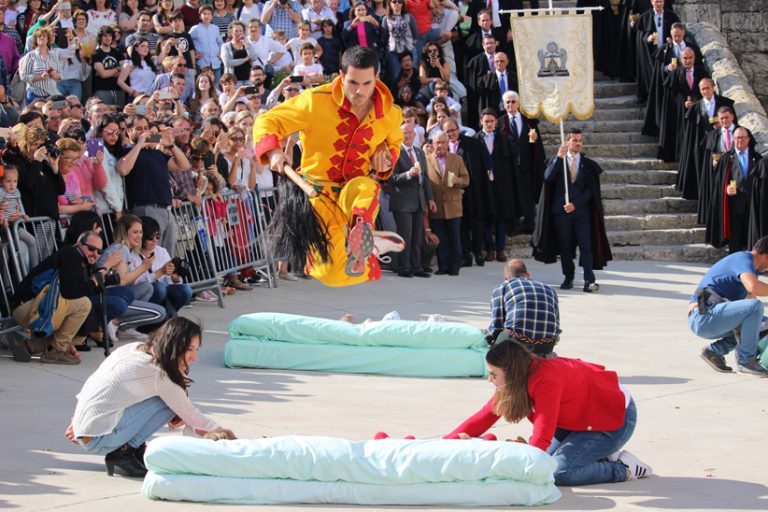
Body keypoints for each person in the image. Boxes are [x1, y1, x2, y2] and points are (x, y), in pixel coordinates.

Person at [253, 45, 405, 287]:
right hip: (319, 196)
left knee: (363, 189)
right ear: (341, 76)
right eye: (353, 82)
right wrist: (272, 151)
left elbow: (395, 142)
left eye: (367, 83)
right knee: (330, 275)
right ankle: (368, 253)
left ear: (377, 77)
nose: (359, 91)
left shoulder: (392, 113)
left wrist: (385, 153)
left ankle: (363, 229)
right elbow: (267, 119)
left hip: (357, 191)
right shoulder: (314, 102)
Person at [444, 339, 652, 486]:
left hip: (612, 416)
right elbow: (484, 417)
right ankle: (602, 454)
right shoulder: (517, 379)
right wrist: (444, 443)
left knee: (559, 472)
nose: (489, 379)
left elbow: (543, 432)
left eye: (493, 374)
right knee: (547, 464)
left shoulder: (546, 379)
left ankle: (624, 468)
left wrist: (521, 473)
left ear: (511, 371)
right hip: (579, 419)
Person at [66, 317, 237, 478]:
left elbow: (95, 385)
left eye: (196, 349)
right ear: (172, 345)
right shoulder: (157, 374)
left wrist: (78, 420)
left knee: (172, 398)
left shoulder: (134, 348)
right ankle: (124, 451)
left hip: (88, 431)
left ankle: (131, 448)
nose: (195, 357)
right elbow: (192, 416)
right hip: (98, 438)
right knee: (169, 402)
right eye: (189, 350)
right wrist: (229, 441)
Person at [11, 230, 117, 365]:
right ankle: (56, 350)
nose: (95, 254)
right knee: (84, 305)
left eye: (99, 252)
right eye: (91, 249)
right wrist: (103, 270)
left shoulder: (80, 260)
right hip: (28, 307)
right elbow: (71, 292)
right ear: (79, 244)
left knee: (83, 327)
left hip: (38, 306)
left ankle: (30, 346)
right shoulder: (71, 255)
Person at [533, 129, 611, 292]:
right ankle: (568, 276)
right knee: (565, 246)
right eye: (574, 140)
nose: (578, 143)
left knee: (586, 245)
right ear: (567, 142)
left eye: (580, 140)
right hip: (561, 213)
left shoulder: (588, 165)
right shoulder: (557, 161)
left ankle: (589, 279)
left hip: (582, 213)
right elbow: (548, 178)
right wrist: (558, 159)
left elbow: (592, 191)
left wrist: (576, 204)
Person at [690, 235, 768, 376]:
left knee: (760, 321)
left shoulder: (750, 269)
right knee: (755, 306)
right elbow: (753, 288)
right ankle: (746, 362)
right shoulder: (743, 259)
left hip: (712, 316)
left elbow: (750, 307)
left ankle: (713, 352)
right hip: (704, 316)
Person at [485, 259, 560, 356]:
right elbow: (556, 325)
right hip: (546, 344)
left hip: (516, 342)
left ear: (506, 278)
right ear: (528, 275)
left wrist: (487, 341)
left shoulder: (503, 287)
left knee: (492, 356)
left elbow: (496, 325)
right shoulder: (550, 289)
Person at [389, 120, 435, 278]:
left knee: (417, 236)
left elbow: (426, 179)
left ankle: (417, 266)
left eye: (409, 133)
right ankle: (404, 267)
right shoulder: (394, 152)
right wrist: (408, 174)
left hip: (419, 201)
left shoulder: (419, 152)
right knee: (405, 236)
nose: (407, 135)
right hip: (402, 202)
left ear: (415, 134)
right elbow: (391, 178)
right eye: (404, 133)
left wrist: (430, 199)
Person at [676, 77, 733, 201]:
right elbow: (690, 131)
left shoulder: (725, 103)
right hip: (702, 146)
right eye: (702, 89)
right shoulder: (696, 107)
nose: (705, 91)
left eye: (707, 88)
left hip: (721, 144)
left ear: (713, 88)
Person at [707, 127, 762, 253]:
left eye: (743, 137)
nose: (740, 140)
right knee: (735, 240)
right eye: (737, 138)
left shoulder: (757, 158)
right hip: (734, 205)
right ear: (733, 139)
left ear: (749, 139)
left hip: (753, 205)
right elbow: (717, 183)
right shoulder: (726, 159)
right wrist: (725, 188)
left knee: (752, 239)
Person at [498, 90, 546, 234]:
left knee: (528, 194)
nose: (511, 105)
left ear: (518, 104)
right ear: (504, 104)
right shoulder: (500, 123)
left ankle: (529, 223)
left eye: (513, 102)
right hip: (509, 166)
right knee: (511, 195)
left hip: (526, 165)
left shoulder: (529, 122)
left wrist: (535, 140)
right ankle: (513, 224)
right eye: (508, 102)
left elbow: (536, 145)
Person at [426, 130, 469, 276]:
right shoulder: (426, 160)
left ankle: (455, 266)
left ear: (447, 143)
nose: (440, 145)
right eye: (437, 142)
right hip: (436, 206)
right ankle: (442, 266)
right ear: (432, 144)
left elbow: (466, 179)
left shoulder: (456, 159)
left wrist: (458, 181)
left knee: (454, 238)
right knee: (441, 239)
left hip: (453, 206)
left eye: (443, 142)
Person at [139, 216, 193, 316]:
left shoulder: (161, 251)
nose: (155, 240)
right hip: (146, 294)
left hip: (163, 290)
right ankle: (161, 319)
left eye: (157, 236)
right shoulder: (133, 255)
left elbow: (169, 280)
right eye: (151, 237)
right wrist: (159, 272)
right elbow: (138, 283)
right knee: (159, 289)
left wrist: (175, 279)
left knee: (186, 290)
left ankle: (167, 318)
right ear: (142, 237)